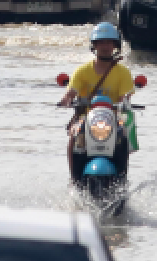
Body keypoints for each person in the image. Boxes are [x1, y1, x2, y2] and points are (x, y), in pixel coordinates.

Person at [59, 22, 137, 176]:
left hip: (113, 118)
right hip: (85, 118)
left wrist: (124, 104)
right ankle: (73, 180)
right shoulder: (82, 71)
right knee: (72, 138)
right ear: (94, 45)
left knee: (123, 138)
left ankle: (122, 180)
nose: (105, 46)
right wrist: (66, 100)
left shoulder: (123, 72)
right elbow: (70, 92)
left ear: (115, 45)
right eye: (101, 42)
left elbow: (124, 97)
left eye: (109, 42)